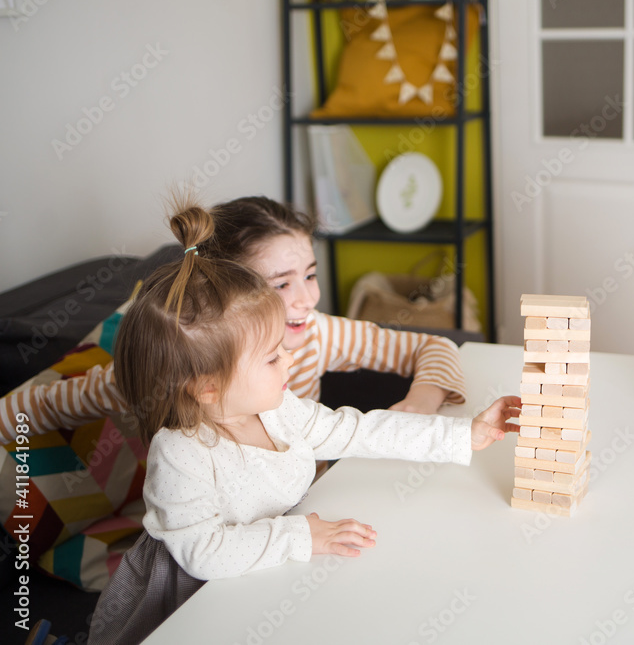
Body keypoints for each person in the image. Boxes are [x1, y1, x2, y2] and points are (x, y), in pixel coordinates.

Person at [86, 204, 518, 645]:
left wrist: (467, 434)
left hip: (264, 575)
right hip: (187, 603)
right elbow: (204, 553)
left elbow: (357, 430)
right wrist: (301, 536)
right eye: (273, 356)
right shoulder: (180, 454)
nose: (291, 357)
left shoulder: (279, 409)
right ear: (208, 388)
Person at [1, 196, 466, 443]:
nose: (306, 298)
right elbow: (42, 405)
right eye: (281, 284)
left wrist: (422, 400)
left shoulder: (317, 334)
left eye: (310, 274)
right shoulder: (176, 367)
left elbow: (435, 345)